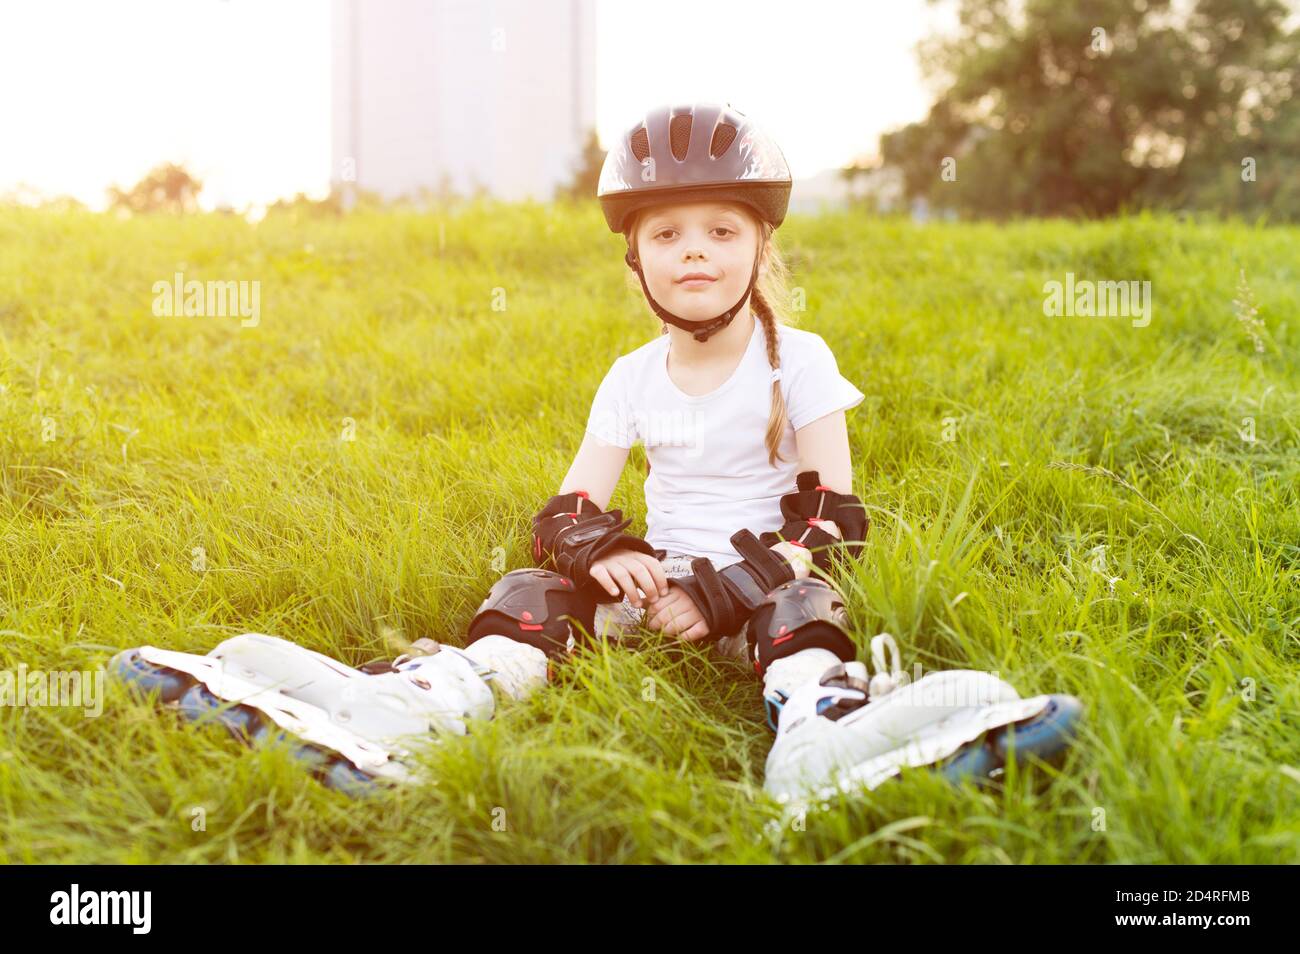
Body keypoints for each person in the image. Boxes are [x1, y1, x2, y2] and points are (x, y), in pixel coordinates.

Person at [115, 105, 1081, 804]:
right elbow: (567, 511)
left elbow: (834, 520)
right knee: (534, 590)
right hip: (656, 592)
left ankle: (820, 734)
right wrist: (606, 553)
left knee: (804, 606)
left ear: (759, 246)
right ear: (636, 257)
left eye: (721, 230)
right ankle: (419, 708)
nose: (694, 251)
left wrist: (727, 592)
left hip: (758, 593)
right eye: (668, 233)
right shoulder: (631, 377)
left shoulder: (801, 360)